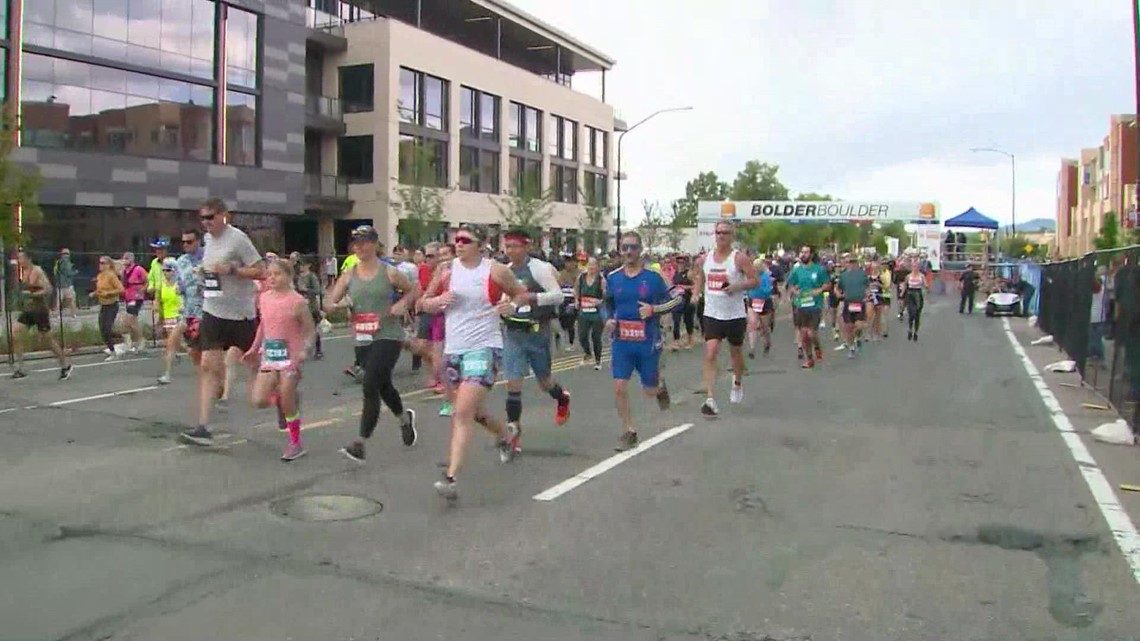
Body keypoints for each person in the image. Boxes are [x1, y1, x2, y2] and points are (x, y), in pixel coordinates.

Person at [419, 225, 531, 499]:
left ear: (480, 245)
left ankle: (451, 478)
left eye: (465, 240)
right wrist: (437, 302)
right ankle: (507, 435)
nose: (459, 244)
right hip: (454, 350)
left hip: (484, 348)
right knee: (475, 412)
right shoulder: (446, 271)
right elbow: (423, 302)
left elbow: (521, 293)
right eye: (456, 240)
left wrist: (511, 306)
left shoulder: (495, 270)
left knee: (462, 412)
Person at [324, 225, 419, 462]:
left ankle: (360, 443)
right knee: (383, 385)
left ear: (375, 244)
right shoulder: (350, 274)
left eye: (364, 242)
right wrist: (337, 304)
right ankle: (404, 419)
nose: (359, 247)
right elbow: (329, 302)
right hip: (362, 337)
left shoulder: (389, 272)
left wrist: (402, 304)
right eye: (356, 243)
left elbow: (414, 290)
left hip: (388, 334)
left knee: (370, 384)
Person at [180, 198, 266, 446]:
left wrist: (232, 270)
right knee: (208, 365)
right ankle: (203, 426)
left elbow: (260, 270)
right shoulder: (207, 240)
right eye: (203, 218)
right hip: (214, 310)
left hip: (241, 314)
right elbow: (210, 268)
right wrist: (204, 273)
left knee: (255, 370)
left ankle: (282, 397)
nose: (206, 223)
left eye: (210, 217)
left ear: (223, 216)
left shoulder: (237, 238)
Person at [499, 228, 573, 453]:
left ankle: (561, 398)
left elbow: (558, 295)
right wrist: (503, 309)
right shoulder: (505, 271)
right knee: (513, 384)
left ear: (527, 247)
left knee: (544, 382)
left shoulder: (539, 269)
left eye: (515, 246)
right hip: (514, 333)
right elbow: (503, 298)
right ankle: (513, 435)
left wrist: (531, 297)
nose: (511, 251)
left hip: (537, 332)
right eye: (508, 246)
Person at [606, 232, 677, 450]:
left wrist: (654, 309)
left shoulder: (654, 277)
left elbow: (677, 299)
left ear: (640, 249)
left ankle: (660, 387)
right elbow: (606, 304)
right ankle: (629, 431)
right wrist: (607, 319)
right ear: (620, 250)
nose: (628, 252)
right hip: (622, 342)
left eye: (633, 247)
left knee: (649, 391)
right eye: (625, 247)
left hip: (647, 341)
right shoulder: (613, 277)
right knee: (619, 386)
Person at [244, 259, 316, 461]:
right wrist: (254, 348)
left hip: (291, 358)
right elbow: (264, 325)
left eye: (277, 274)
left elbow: (310, 331)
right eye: (270, 274)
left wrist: (305, 351)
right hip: (270, 357)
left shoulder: (298, 302)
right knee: (258, 400)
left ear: (288, 276)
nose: (272, 278)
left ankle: (295, 443)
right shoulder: (264, 298)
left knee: (287, 396)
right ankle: (281, 402)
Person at [692, 220, 759, 417]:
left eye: (726, 233)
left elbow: (755, 280)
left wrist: (737, 287)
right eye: (718, 232)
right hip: (712, 313)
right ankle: (710, 399)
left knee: (735, 353)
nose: (721, 236)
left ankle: (737, 383)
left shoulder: (738, 259)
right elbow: (700, 279)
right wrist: (696, 294)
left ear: (732, 236)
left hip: (734, 314)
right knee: (711, 352)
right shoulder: (705, 259)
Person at [10, 250, 72, 380]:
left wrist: (32, 294)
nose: (19, 261)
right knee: (15, 333)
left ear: (28, 259)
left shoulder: (37, 271)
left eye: (21, 258)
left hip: (40, 310)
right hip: (29, 309)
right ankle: (19, 368)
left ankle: (64, 365)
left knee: (48, 339)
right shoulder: (24, 272)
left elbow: (48, 289)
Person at [786, 245, 828, 369]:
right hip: (801, 304)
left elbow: (827, 284)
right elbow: (791, 284)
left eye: (806, 252)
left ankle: (817, 347)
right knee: (804, 334)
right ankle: (809, 359)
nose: (803, 254)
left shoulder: (819, 269)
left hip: (815, 305)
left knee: (812, 333)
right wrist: (795, 291)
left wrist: (819, 290)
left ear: (811, 254)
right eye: (802, 252)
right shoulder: (797, 270)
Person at [575, 256, 607, 370]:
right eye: (589, 264)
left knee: (596, 337)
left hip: (597, 313)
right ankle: (587, 353)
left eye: (594, 264)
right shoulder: (581, 277)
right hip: (584, 311)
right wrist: (576, 301)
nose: (591, 267)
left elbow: (606, 296)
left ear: (598, 267)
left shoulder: (601, 280)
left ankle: (598, 361)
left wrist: (600, 301)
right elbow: (576, 290)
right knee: (582, 335)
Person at [156, 258, 185, 383]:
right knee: (175, 345)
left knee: (171, 346)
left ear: (174, 271)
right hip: (168, 318)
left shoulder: (180, 285)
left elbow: (185, 301)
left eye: (168, 270)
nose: (165, 272)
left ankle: (167, 374)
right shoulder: (162, 285)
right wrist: (160, 319)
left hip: (179, 318)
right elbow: (161, 303)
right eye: (164, 270)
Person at [836, 254, 869, 358]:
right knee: (848, 326)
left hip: (859, 303)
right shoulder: (843, 276)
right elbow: (837, 288)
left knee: (859, 325)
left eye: (854, 262)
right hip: (848, 303)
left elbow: (867, 286)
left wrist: (867, 295)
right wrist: (838, 294)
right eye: (850, 262)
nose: (852, 264)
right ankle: (851, 348)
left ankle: (858, 337)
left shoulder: (862, 274)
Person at [93, 255, 124, 359]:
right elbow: (100, 290)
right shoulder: (100, 276)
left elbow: (120, 289)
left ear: (109, 265)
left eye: (103, 263)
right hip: (103, 305)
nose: (100, 265)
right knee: (102, 329)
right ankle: (121, 338)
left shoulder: (111, 275)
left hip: (112, 305)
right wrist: (94, 293)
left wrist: (108, 293)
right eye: (100, 263)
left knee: (107, 328)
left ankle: (115, 350)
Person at [293, 257, 324, 360]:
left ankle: (318, 350)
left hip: (311, 306)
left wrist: (306, 290)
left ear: (308, 265)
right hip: (300, 305)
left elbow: (318, 290)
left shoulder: (312, 276)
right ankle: (301, 350)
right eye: (299, 265)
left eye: (303, 265)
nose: (301, 267)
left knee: (313, 328)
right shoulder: (297, 277)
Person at [120, 252, 149, 353]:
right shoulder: (124, 271)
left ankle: (140, 341)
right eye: (124, 258)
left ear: (132, 259)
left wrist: (143, 289)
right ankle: (132, 341)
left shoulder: (138, 269)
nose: (125, 260)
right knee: (128, 321)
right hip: (129, 297)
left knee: (131, 319)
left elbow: (147, 279)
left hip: (137, 297)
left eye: (127, 258)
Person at [745, 258, 774, 358]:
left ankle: (767, 342)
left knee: (765, 326)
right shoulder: (750, 276)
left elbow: (768, 290)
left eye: (758, 267)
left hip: (764, 302)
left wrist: (760, 289)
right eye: (754, 267)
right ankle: (752, 348)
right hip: (753, 302)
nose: (756, 269)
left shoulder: (766, 277)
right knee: (752, 323)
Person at [670, 255, 697, 350]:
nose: (680, 264)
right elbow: (673, 284)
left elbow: (696, 286)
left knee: (688, 320)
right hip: (677, 300)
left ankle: (690, 340)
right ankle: (676, 342)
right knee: (676, 321)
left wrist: (685, 287)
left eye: (682, 262)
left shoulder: (689, 273)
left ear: (686, 263)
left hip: (688, 300)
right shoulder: (676, 273)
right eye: (678, 262)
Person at [903, 266, 926, 341]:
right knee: (911, 313)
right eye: (913, 267)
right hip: (910, 294)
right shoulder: (908, 276)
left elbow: (925, 284)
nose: (915, 268)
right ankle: (910, 329)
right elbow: (905, 285)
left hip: (918, 294)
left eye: (916, 267)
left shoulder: (921, 276)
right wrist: (902, 293)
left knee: (917, 315)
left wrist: (926, 286)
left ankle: (916, 332)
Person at [53, 248, 78, 318]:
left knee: (69, 300)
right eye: (64, 254)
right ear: (61, 255)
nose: (66, 255)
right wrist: (75, 272)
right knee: (63, 301)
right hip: (63, 285)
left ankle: (72, 314)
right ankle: (68, 314)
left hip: (65, 284)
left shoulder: (66, 263)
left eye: (67, 254)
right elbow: (68, 273)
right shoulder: (61, 263)